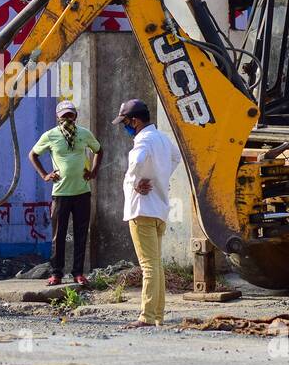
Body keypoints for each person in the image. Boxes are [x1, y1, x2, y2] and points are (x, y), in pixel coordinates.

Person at [112, 99, 181, 329]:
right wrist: (158, 177)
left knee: (148, 266)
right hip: (158, 208)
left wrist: (134, 182)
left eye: (126, 122)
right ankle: (157, 316)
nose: (125, 126)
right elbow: (176, 158)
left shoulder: (142, 141)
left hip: (141, 209)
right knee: (156, 265)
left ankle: (147, 317)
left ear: (136, 120)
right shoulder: (161, 138)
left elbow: (136, 163)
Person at [30, 100, 103, 286]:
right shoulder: (50, 136)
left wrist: (93, 171)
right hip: (61, 193)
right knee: (58, 235)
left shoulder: (84, 134)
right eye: (64, 116)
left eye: (70, 115)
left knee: (81, 234)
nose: (67, 119)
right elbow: (33, 155)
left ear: (75, 116)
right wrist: (45, 175)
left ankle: (78, 272)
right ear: (58, 117)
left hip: (82, 192)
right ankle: (56, 273)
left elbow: (99, 150)